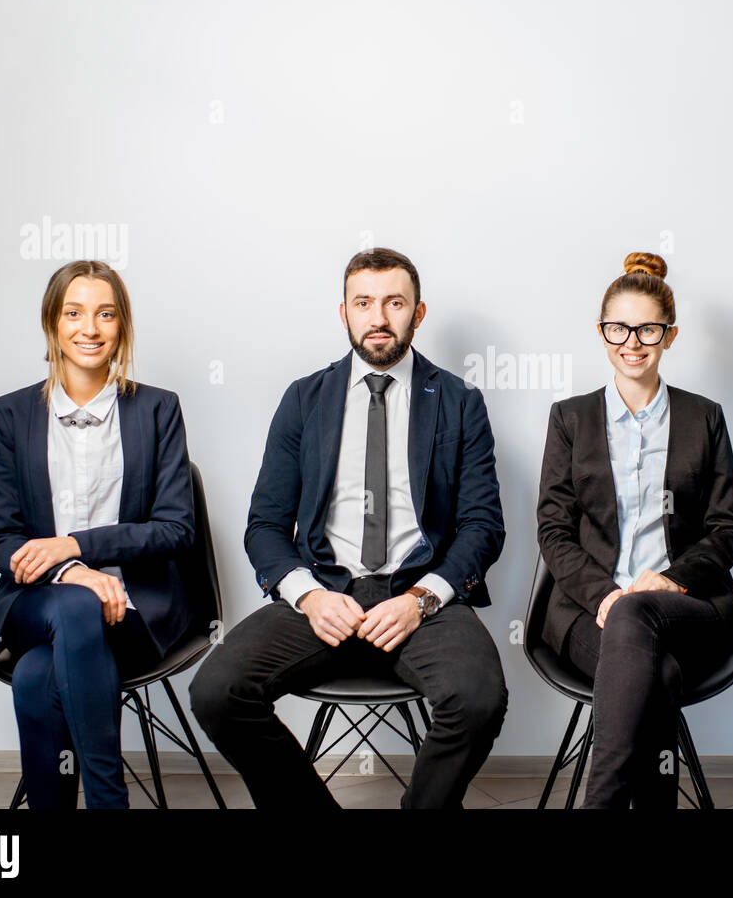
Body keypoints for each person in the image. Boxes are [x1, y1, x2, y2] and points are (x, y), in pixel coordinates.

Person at [190, 247, 507, 809]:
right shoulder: (304, 398)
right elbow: (264, 525)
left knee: (479, 699)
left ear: (419, 312)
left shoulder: (459, 401)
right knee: (217, 692)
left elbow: (482, 526)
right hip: (325, 594)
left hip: (422, 596)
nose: (378, 317)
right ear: (344, 312)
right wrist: (308, 595)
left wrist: (421, 600)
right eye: (364, 302)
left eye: (394, 302)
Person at [0, 260, 196, 808]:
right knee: (74, 606)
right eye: (73, 313)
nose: (90, 329)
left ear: (122, 325)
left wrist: (77, 545)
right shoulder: (9, 415)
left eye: (106, 314)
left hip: (133, 609)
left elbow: (176, 528)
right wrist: (70, 571)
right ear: (52, 323)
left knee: (35, 679)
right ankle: (107, 799)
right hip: (37, 602)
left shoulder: (157, 408)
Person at [536, 253, 733, 809]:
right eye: (618, 328)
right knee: (659, 674)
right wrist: (606, 595)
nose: (633, 341)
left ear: (670, 336)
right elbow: (553, 530)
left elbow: (728, 529)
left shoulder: (704, 417)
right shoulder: (570, 419)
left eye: (648, 328)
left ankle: (599, 803)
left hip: (687, 607)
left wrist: (672, 581)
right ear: (601, 333)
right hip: (591, 610)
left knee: (640, 615)